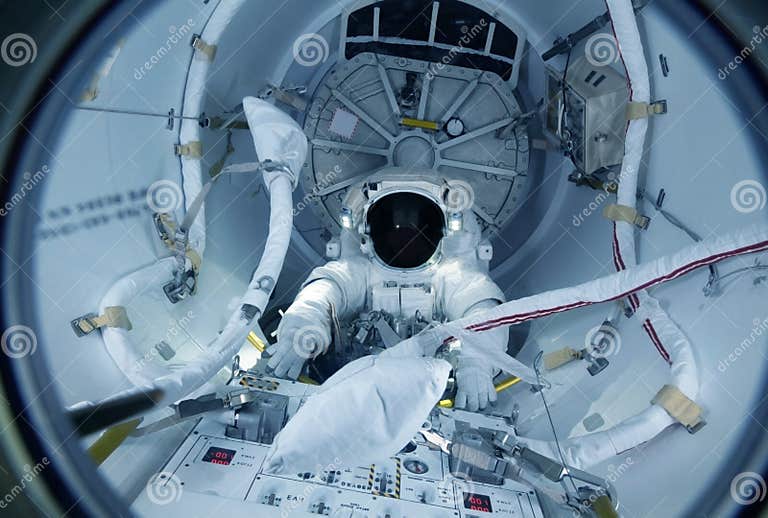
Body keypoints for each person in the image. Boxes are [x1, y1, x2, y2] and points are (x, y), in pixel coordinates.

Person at [266, 170, 508, 411]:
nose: (405, 236)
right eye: (392, 227)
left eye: (417, 227)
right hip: (349, 394)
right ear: (367, 232)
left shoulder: (451, 276)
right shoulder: (360, 271)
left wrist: (477, 363)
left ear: (444, 232)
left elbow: (483, 310)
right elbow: (321, 293)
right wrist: (303, 328)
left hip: (431, 401)